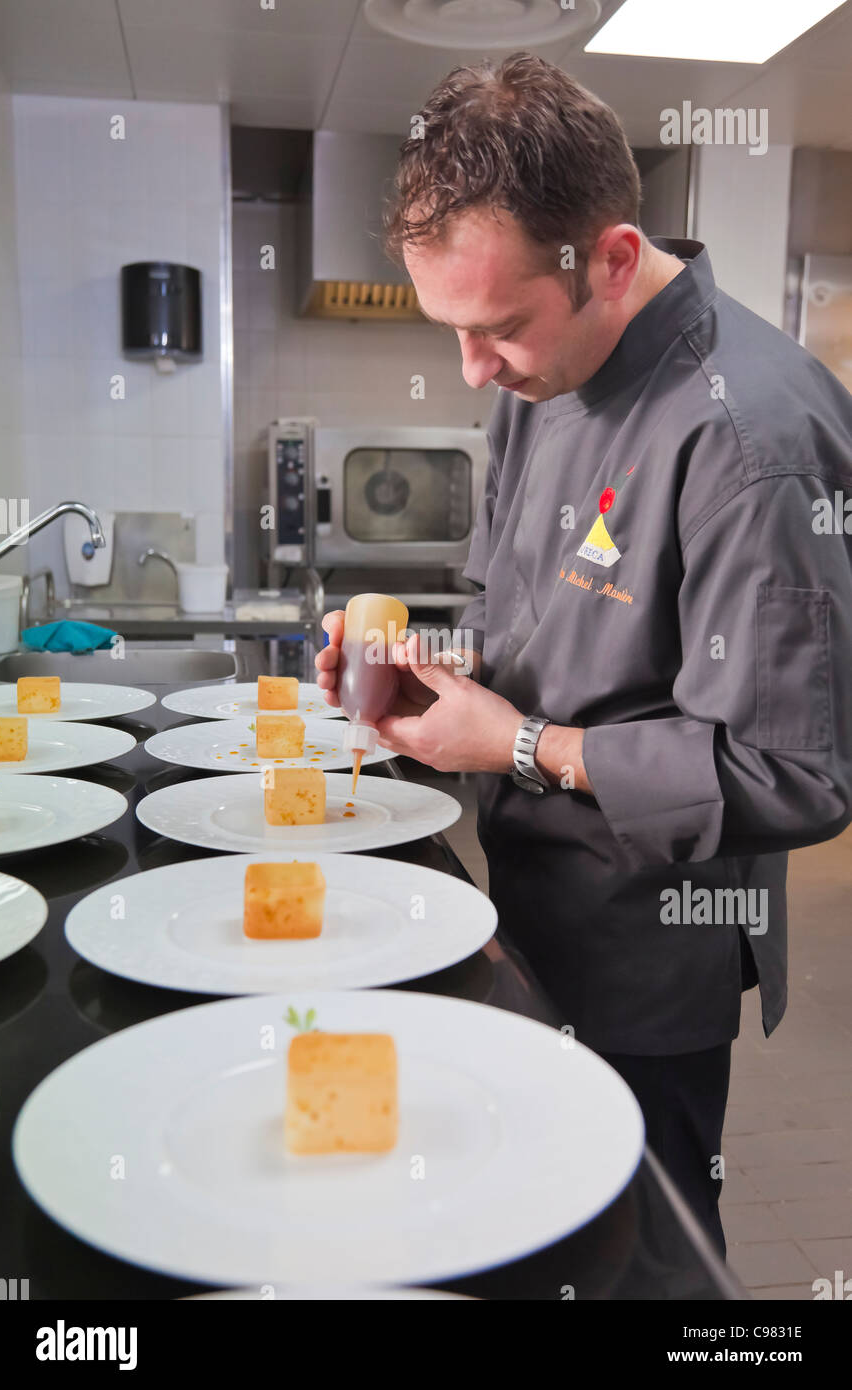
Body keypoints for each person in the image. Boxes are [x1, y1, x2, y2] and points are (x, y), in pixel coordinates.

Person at [316, 53, 852, 1258]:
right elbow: (513, 621)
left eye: (497, 328)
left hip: (647, 941)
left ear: (608, 259)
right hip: (528, 901)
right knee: (535, 1225)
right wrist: (415, 658)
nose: (472, 372)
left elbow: (798, 773)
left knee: (642, 1248)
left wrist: (513, 743)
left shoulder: (747, 442)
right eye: (451, 330)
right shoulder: (536, 375)